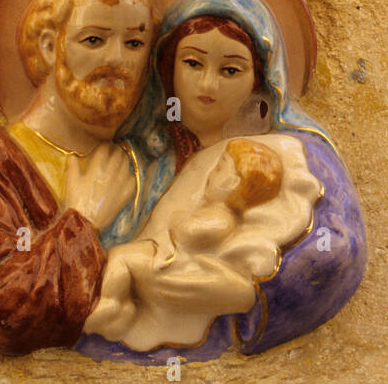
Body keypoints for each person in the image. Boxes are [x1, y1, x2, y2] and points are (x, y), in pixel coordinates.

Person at [78, 0, 367, 362]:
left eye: (230, 70)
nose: (207, 85)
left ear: (260, 79)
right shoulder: (138, 164)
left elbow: (339, 253)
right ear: (167, 68)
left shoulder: (297, 154)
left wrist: (249, 294)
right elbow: (94, 266)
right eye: (193, 64)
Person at [0, 0, 158, 355]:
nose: (117, 60)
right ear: (48, 45)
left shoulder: (147, 161)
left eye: (134, 43)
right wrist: (82, 222)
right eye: (94, 40)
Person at [87, 134, 318, 351]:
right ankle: (115, 305)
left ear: (233, 182)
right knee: (121, 257)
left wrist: (178, 221)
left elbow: (189, 234)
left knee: (121, 257)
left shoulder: (221, 218)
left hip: (171, 263)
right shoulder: (215, 213)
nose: (210, 175)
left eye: (219, 169)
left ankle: (111, 303)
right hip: (167, 255)